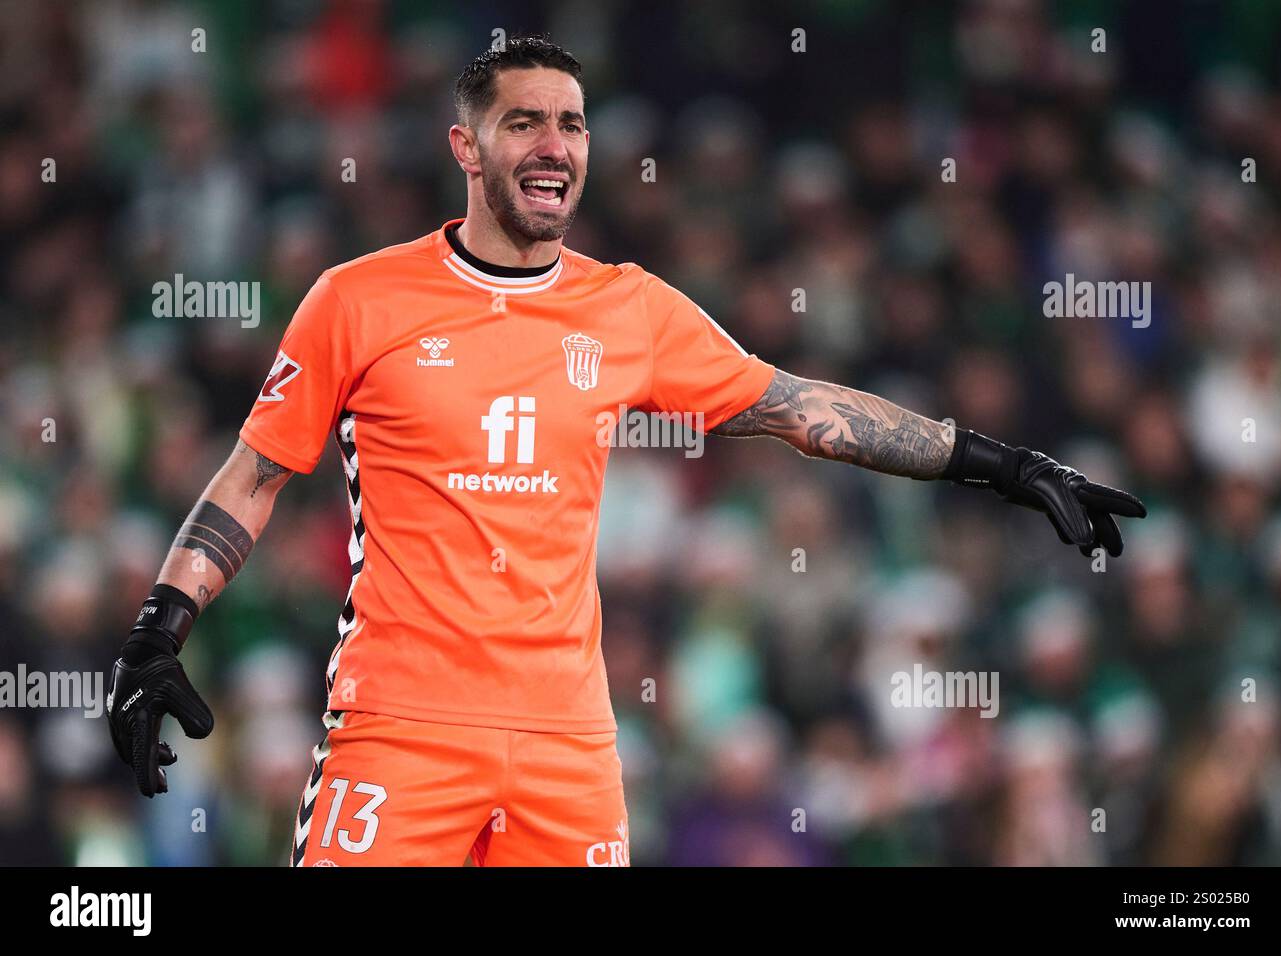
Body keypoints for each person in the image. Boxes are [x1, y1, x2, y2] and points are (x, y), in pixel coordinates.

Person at [106, 35, 1145, 866]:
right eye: (525, 122)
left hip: (568, 740)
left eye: (571, 122)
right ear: (466, 147)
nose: (555, 144)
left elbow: (801, 409)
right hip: (401, 722)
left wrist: (1003, 464)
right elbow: (254, 473)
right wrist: (161, 626)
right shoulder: (356, 297)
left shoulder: (628, 308)